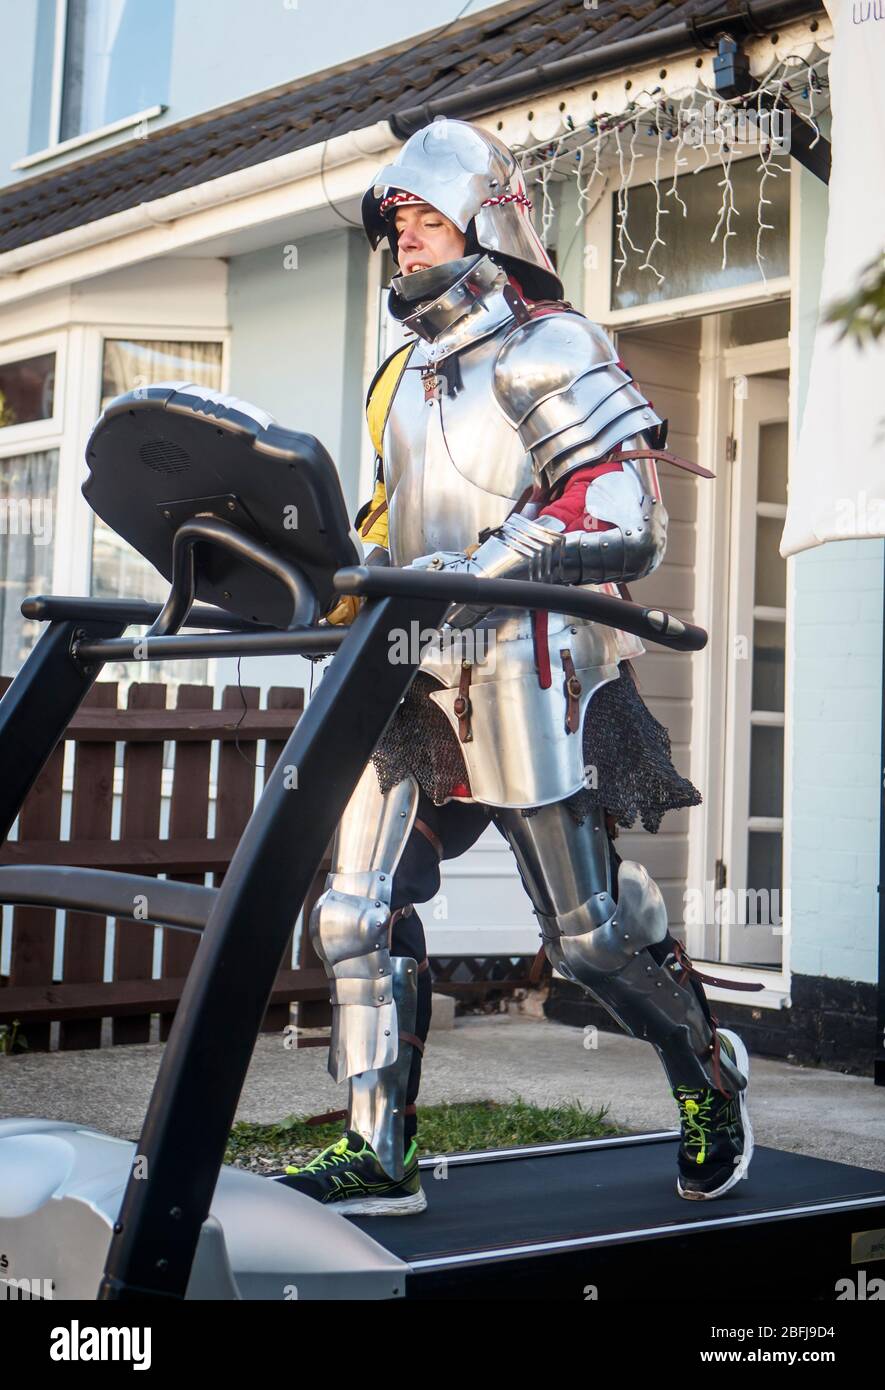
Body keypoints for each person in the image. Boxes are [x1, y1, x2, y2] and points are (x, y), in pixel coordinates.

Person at [282, 119, 754, 1215]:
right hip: (406, 667)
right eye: (394, 224)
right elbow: (396, 515)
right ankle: (376, 1147)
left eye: (426, 218)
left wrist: (486, 565)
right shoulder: (399, 374)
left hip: (533, 666)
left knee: (587, 943)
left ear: (487, 224)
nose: (404, 241)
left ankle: (707, 1073)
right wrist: (343, 569)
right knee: (353, 911)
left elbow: (630, 522)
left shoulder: (556, 346)